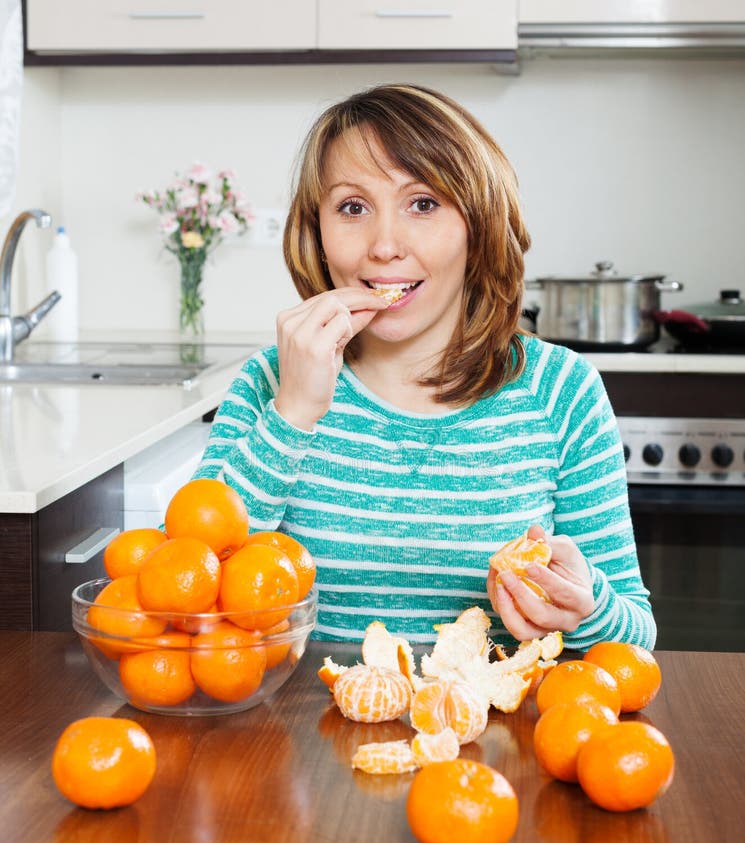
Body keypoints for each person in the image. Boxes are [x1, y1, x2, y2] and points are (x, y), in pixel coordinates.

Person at [194, 83, 655, 649]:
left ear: (477, 226)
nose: (385, 246)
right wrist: (292, 415)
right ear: (317, 234)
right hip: (304, 730)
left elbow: (635, 634)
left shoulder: (561, 390)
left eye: (423, 203)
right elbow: (182, 593)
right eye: (353, 207)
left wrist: (585, 609)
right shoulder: (272, 383)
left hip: (496, 733)